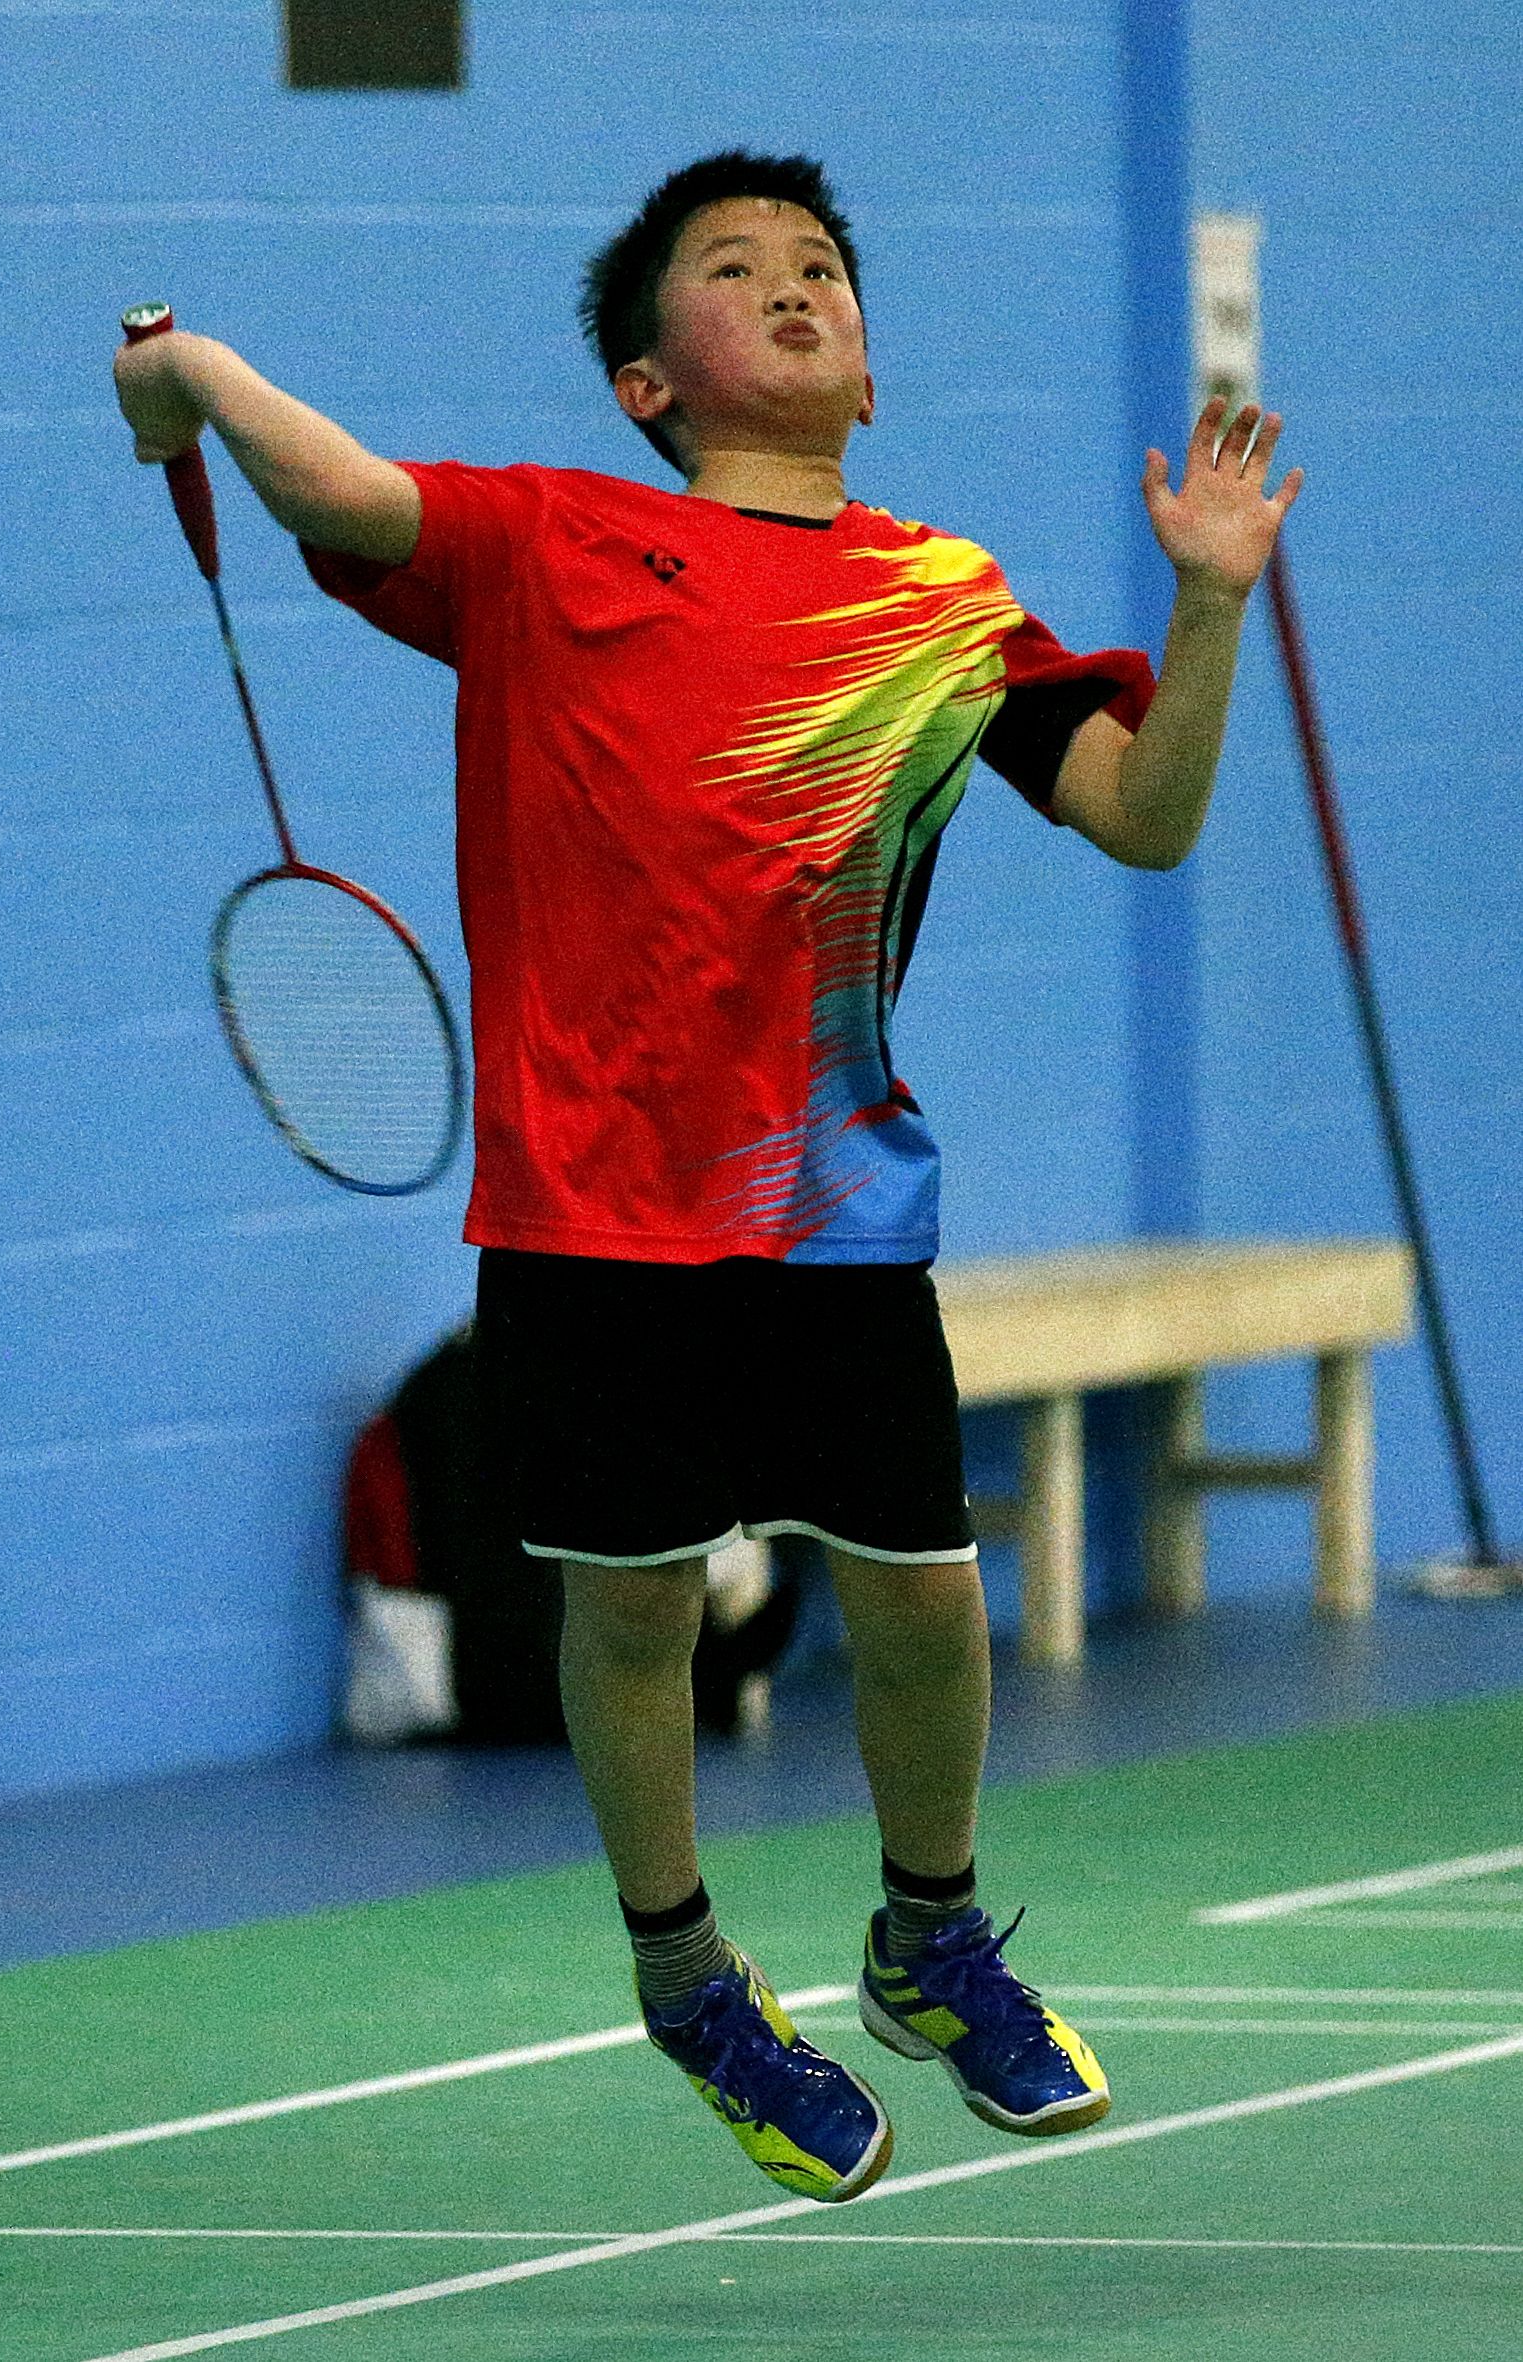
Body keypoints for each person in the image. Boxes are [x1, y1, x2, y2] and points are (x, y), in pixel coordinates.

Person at [114, 148, 1303, 2204]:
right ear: (644, 382)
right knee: (633, 1606)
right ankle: (682, 1971)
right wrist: (204, 372)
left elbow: (1141, 811)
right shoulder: (552, 542)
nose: (789, 284)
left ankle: (926, 1933)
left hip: (834, 1201)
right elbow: (336, 488)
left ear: (865, 367)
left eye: (821, 265)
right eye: (731, 266)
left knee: (924, 1598)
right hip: (590, 1200)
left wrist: (1201, 600)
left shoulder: (936, 600)